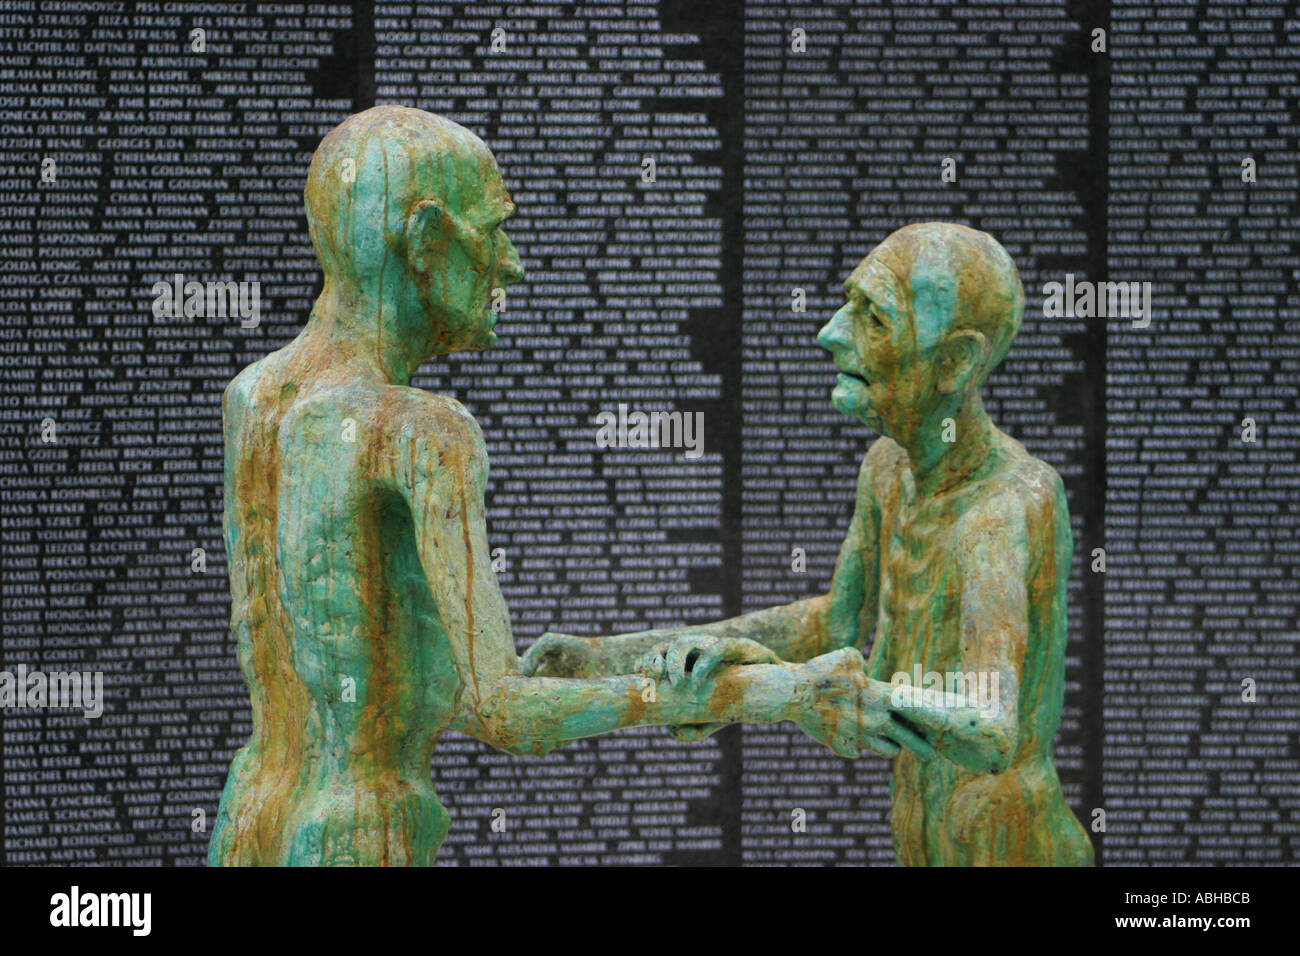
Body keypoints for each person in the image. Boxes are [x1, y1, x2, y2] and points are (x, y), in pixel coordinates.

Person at [209, 106, 892, 866]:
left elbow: (383, 672)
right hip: (364, 834)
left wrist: (607, 659)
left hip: (252, 817)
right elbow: (506, 713)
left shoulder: (257, 398)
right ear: (429, 243)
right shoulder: (421, 431)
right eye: (495, 230)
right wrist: (782, 695)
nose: (513, 265)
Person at [527, 223, 1094, 866]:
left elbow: (990, 729)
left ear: (956, 361)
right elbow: (832, 623)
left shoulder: (1004, 505)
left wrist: (804, 691)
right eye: (848, 303)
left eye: (873, 318)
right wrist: (611, 657)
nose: (829, 334)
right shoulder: (887, 469)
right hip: (925, 831)